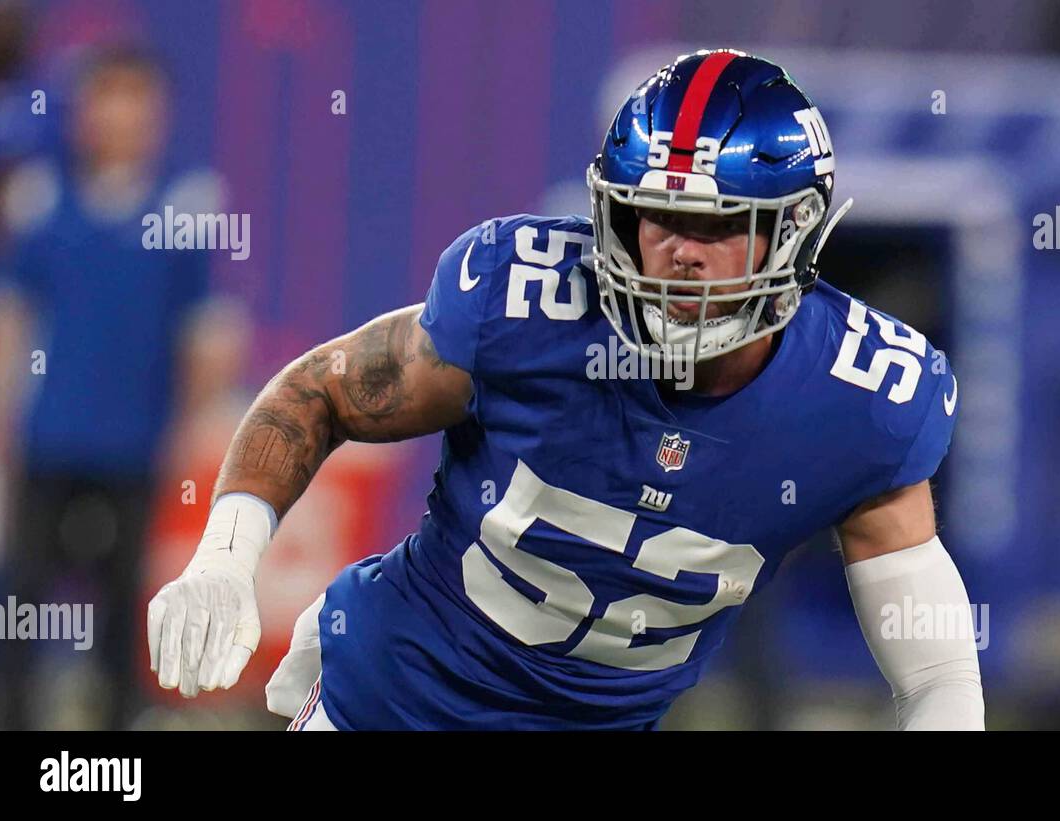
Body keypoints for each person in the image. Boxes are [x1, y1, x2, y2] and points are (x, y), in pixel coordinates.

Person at [147, 49, 985, 730]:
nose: (680, 253)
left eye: (720, 224)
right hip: (394, 704)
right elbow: (319, 389)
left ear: (793, 230)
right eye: (657, 217)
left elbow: (939, 676)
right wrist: (226, 557)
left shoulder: (865, 395)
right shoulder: (526, 301)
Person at [0, 44, 230, 730]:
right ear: (84, 112)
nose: (121, 115)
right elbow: (10, 317)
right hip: (46, 442)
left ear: (160, 113)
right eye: (107, 97)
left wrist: (188, 432)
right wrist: (0, 417)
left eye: (137, 99)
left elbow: (204, 336)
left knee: (123, 607)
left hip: (133, 446)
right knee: (25, 599)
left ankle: (115, 742)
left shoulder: (188, 202)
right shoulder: (41, 198)